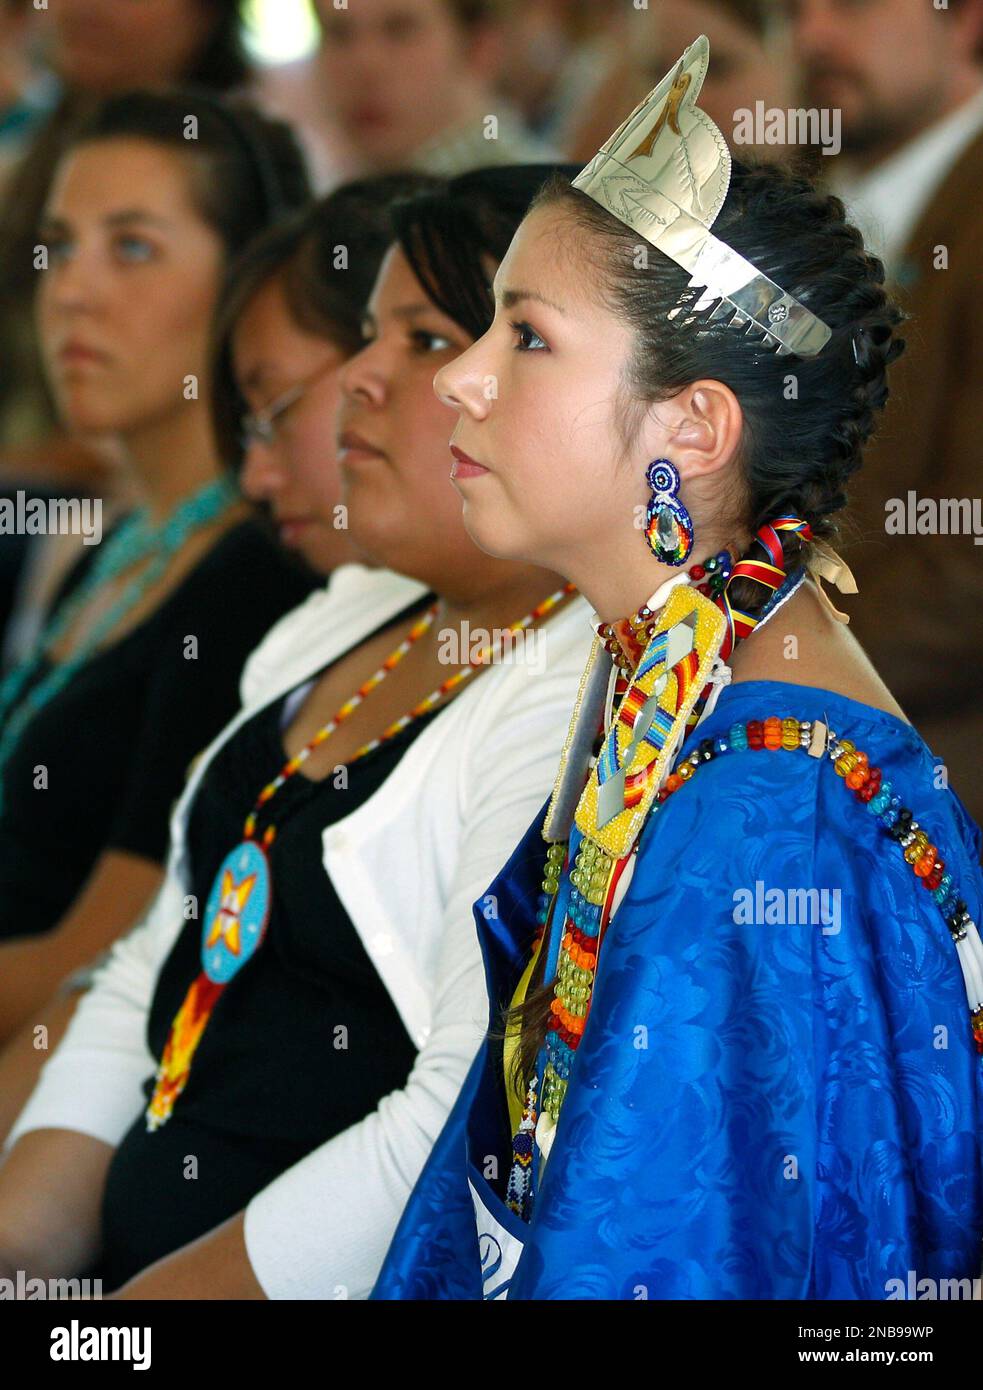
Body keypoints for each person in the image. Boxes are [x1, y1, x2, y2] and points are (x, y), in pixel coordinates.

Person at [372, 35, 983, 1300]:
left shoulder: (761, 815)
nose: (459, 380)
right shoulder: (682, 672)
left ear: (691, 429)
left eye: (524, 337)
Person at [0, 164, 596, 1301]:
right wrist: (19, 1256)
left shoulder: (580, 684)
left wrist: (125, 1323)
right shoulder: (347, 608)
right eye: (369, 335)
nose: (363, 382)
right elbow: (155, 971)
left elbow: (461, 1113)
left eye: (423, 340)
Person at [0, 91, 317, 1053]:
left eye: (132, 247)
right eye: (60, 244)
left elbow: (102, 960)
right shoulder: (118, 544)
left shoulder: (254, 575)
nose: (72, 290)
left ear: (246, 289)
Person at [788, 0, 983, 822]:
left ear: (965, 19)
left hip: (921, 774)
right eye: (795, 8)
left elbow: (968, 571)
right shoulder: (798, 192)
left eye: (852, 5)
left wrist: (752, 656)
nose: (812, 35)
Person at [311, 0, 557, 180]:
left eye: (400, 30)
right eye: (339, 33)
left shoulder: (537, 205)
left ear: (479, 47)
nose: (365, 64)